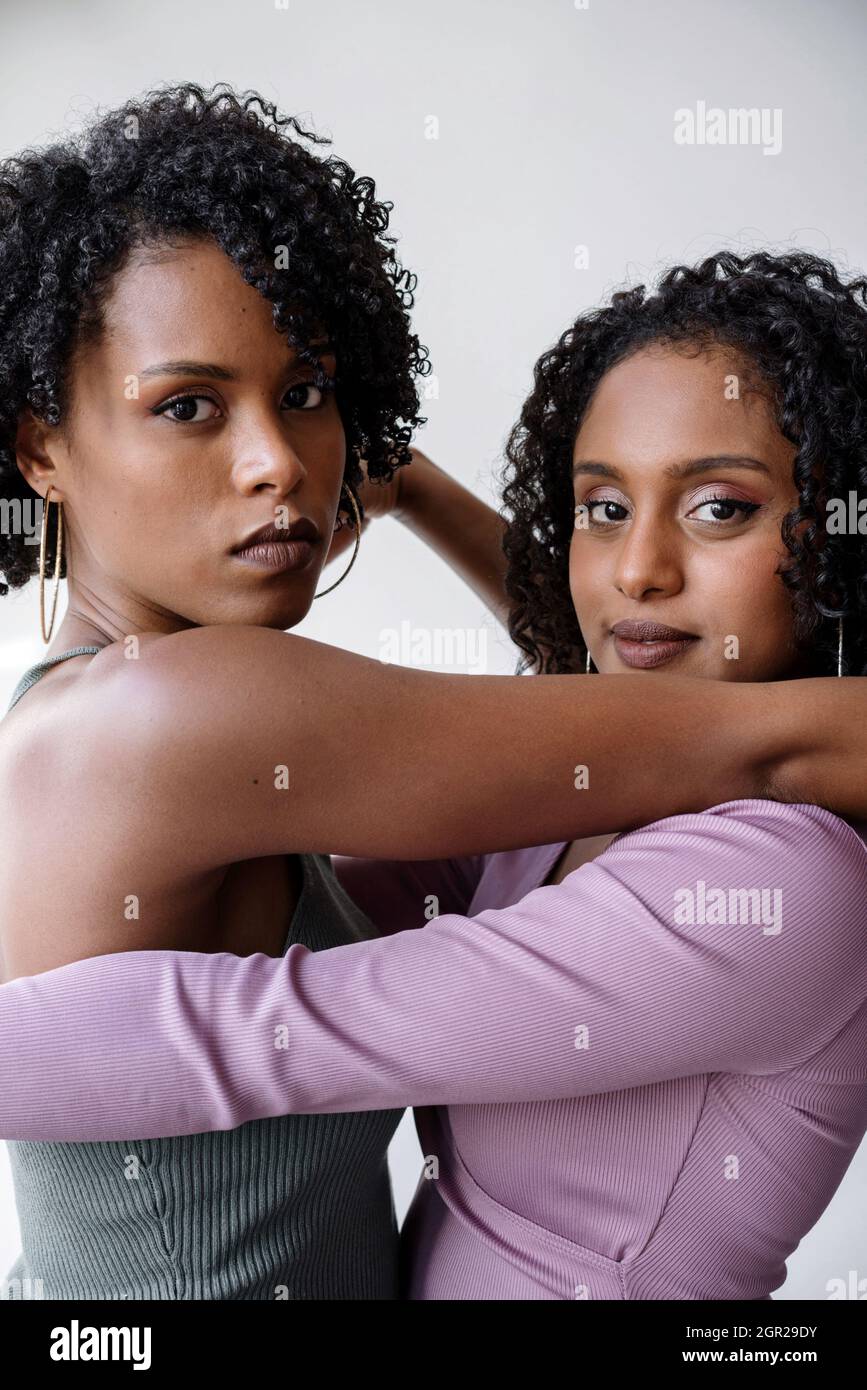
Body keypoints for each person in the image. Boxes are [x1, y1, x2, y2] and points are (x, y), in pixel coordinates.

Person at [1, 196, 865, 1296]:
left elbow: (275, 1029)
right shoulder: (557, 812)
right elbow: (611, 700)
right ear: (39, 445)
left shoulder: (780, 883)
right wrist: (412, 488)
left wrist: (412, 488)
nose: (639, 569)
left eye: (720, 508)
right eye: (599, 509)